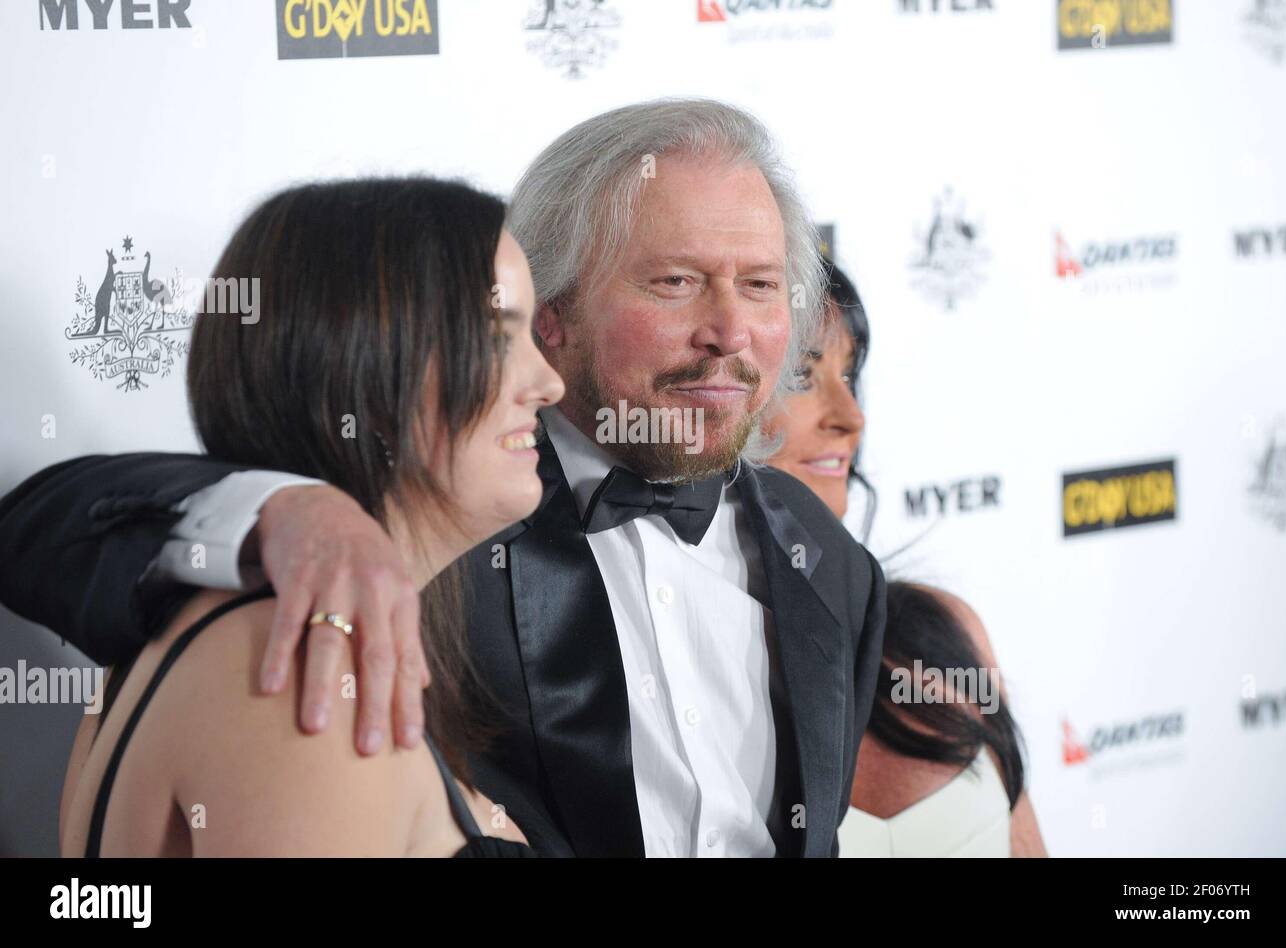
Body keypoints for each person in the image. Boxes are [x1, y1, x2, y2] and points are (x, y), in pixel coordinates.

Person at [0, 99, 886, 857]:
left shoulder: (833, 569)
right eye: (677, 281)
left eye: (763, 285)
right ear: (556, 316)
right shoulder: (370, 574)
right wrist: (280, 507)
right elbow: (45, 528)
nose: (730, 330)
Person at [56, 177, 564, 856]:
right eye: (498, 338)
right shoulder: (306, 671)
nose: (548, 383)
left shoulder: (260, 629)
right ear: (369, 369)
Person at [762, 258, 1047, 856]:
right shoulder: (674, 670)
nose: (851, 417)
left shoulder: (948, 631)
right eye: (801, 377)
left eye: (850, 375)